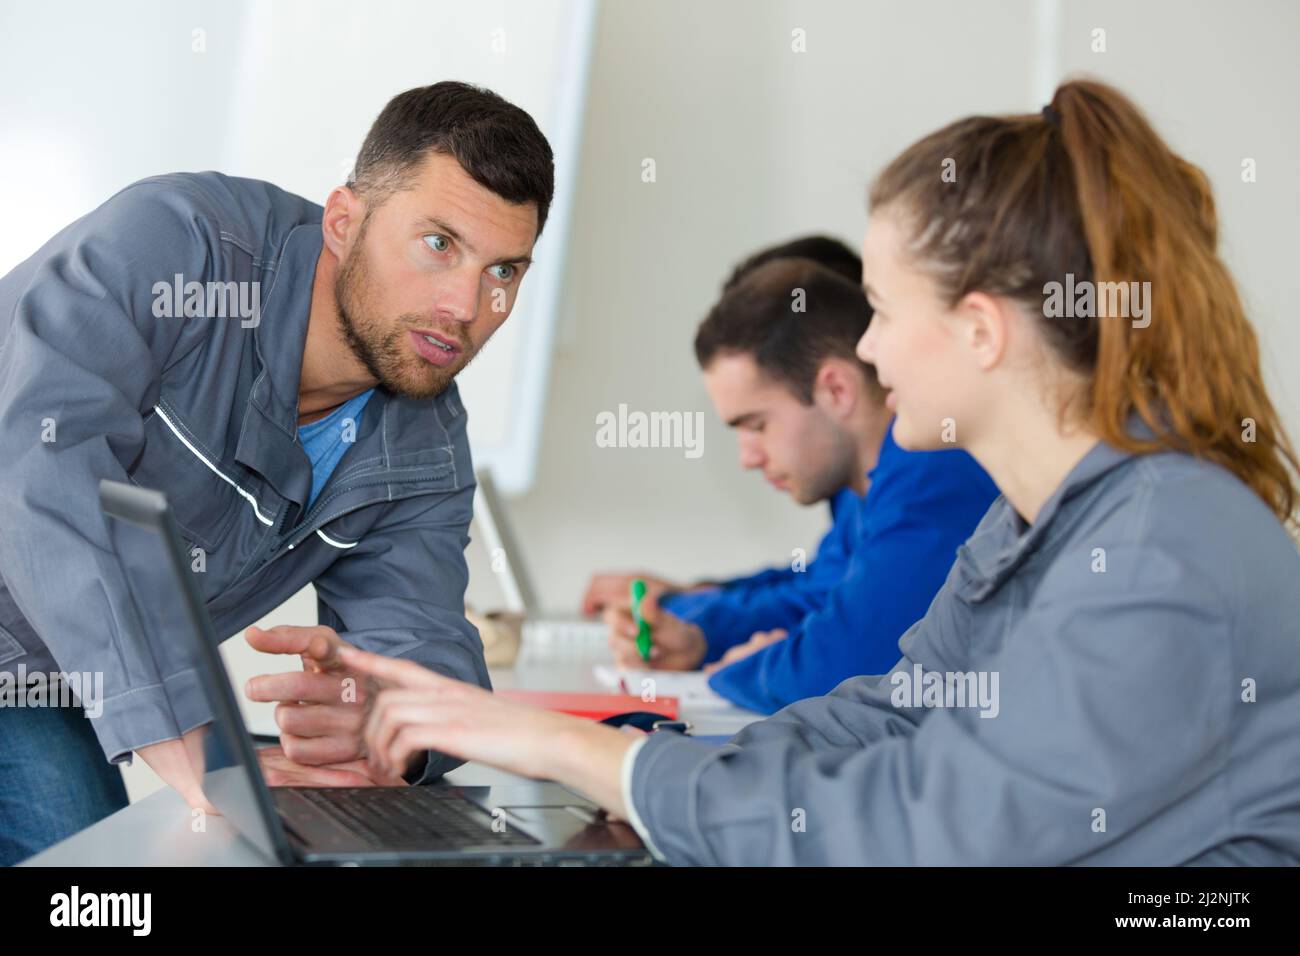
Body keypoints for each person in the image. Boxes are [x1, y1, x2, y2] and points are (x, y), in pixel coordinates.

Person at [338, 78, 1300, 865]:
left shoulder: (1165, 547)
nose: (870, 349)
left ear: (980, 330)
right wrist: (617, 757)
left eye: (881, 307)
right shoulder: (1028, 527)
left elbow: (936, 828)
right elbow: (881, 719)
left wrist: (570, 748)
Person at [0, 81, 553, 864]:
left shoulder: (427, 440)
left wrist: (386, 720)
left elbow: (422, 632)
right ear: (344, 221)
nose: (466, 304)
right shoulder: (177, 246)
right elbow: (34, 462)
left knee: (104, 878)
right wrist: (184, 736)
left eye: (505, 272)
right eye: (439, 244)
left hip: (45, 689)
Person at [598, 253, 996, 713]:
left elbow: (837, 666)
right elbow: (823, 599)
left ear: (836, 391)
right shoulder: (882, 480)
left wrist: (738, 670)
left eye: (756, 425)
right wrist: (700, 637)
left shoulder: (932, 471)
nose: (747, 458)